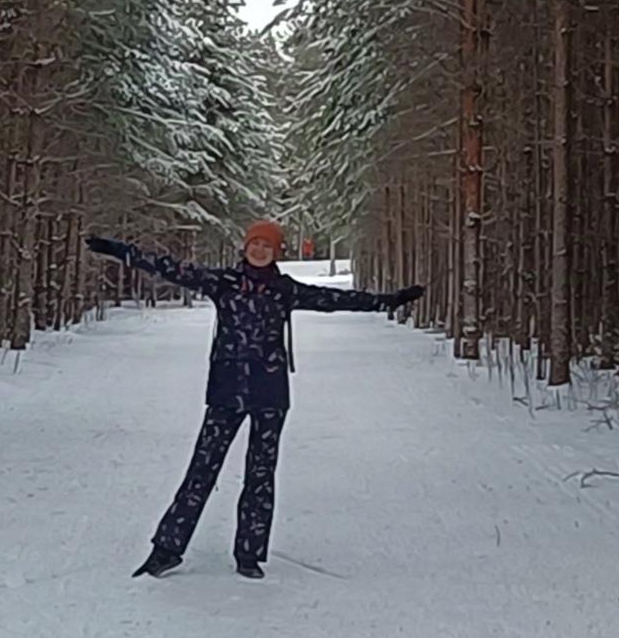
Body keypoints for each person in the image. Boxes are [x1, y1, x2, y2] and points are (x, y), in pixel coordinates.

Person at [85, 219, 424, 580]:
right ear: (244, 248)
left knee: (260, 474)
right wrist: (115, 249)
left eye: (267, 245)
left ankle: (249, 554)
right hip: (226, 392)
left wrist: (388, 301)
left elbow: (337, 300)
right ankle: (166, 550)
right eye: (254, 243)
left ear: (277, 252)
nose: (259, 250)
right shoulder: (223, 283)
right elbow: (167, 266)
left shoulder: (285, 289)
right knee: (202, 469)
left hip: (270, 394)